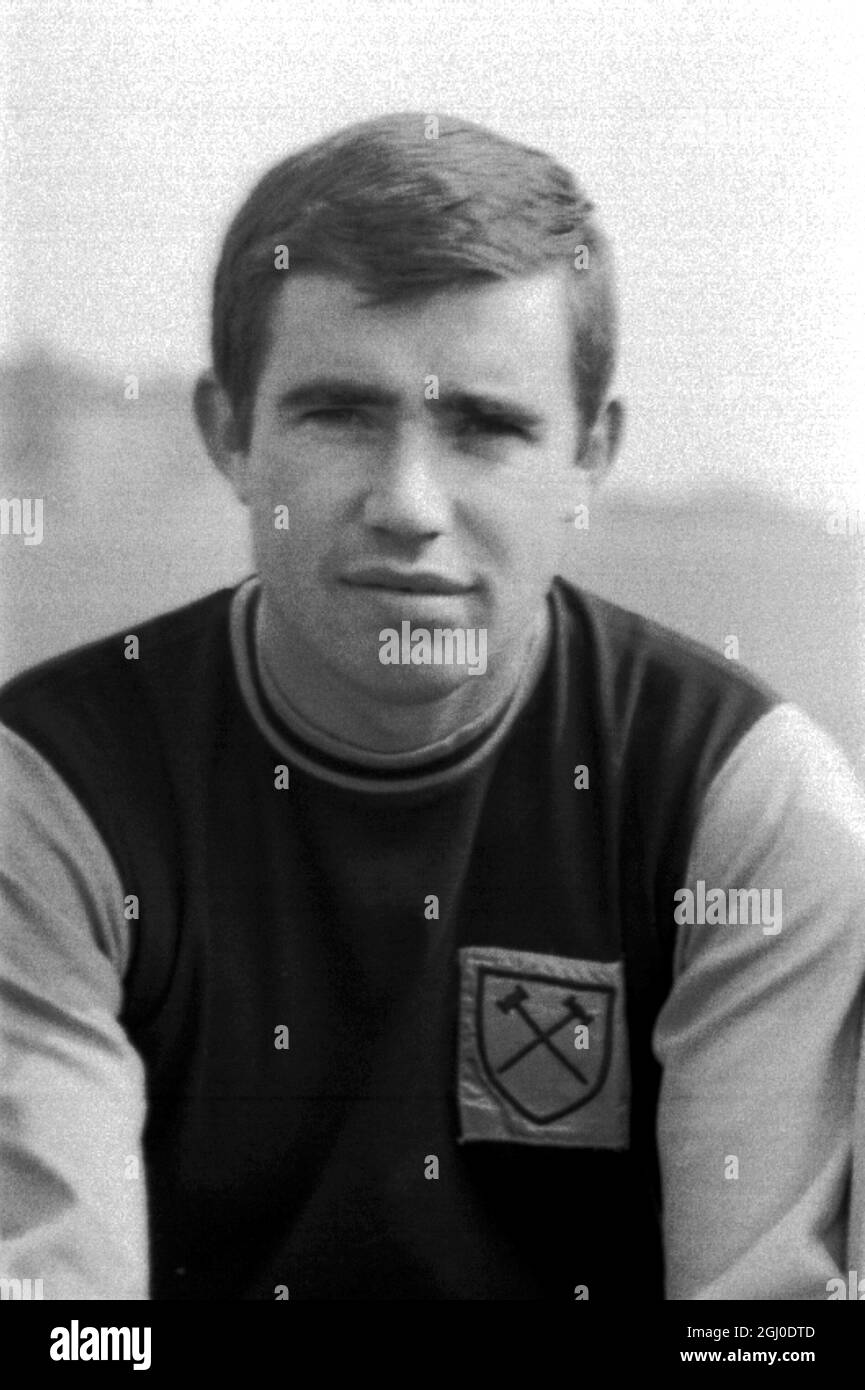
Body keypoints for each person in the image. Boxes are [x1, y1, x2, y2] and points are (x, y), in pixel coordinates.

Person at [1, 111, 863, 1302]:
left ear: (589, 459)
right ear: (229, 434)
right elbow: (64, 1327)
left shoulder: (750, 802)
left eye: (486, 428)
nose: (408, 502)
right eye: (340, 414)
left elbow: (751, 1331)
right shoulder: (44, 794)